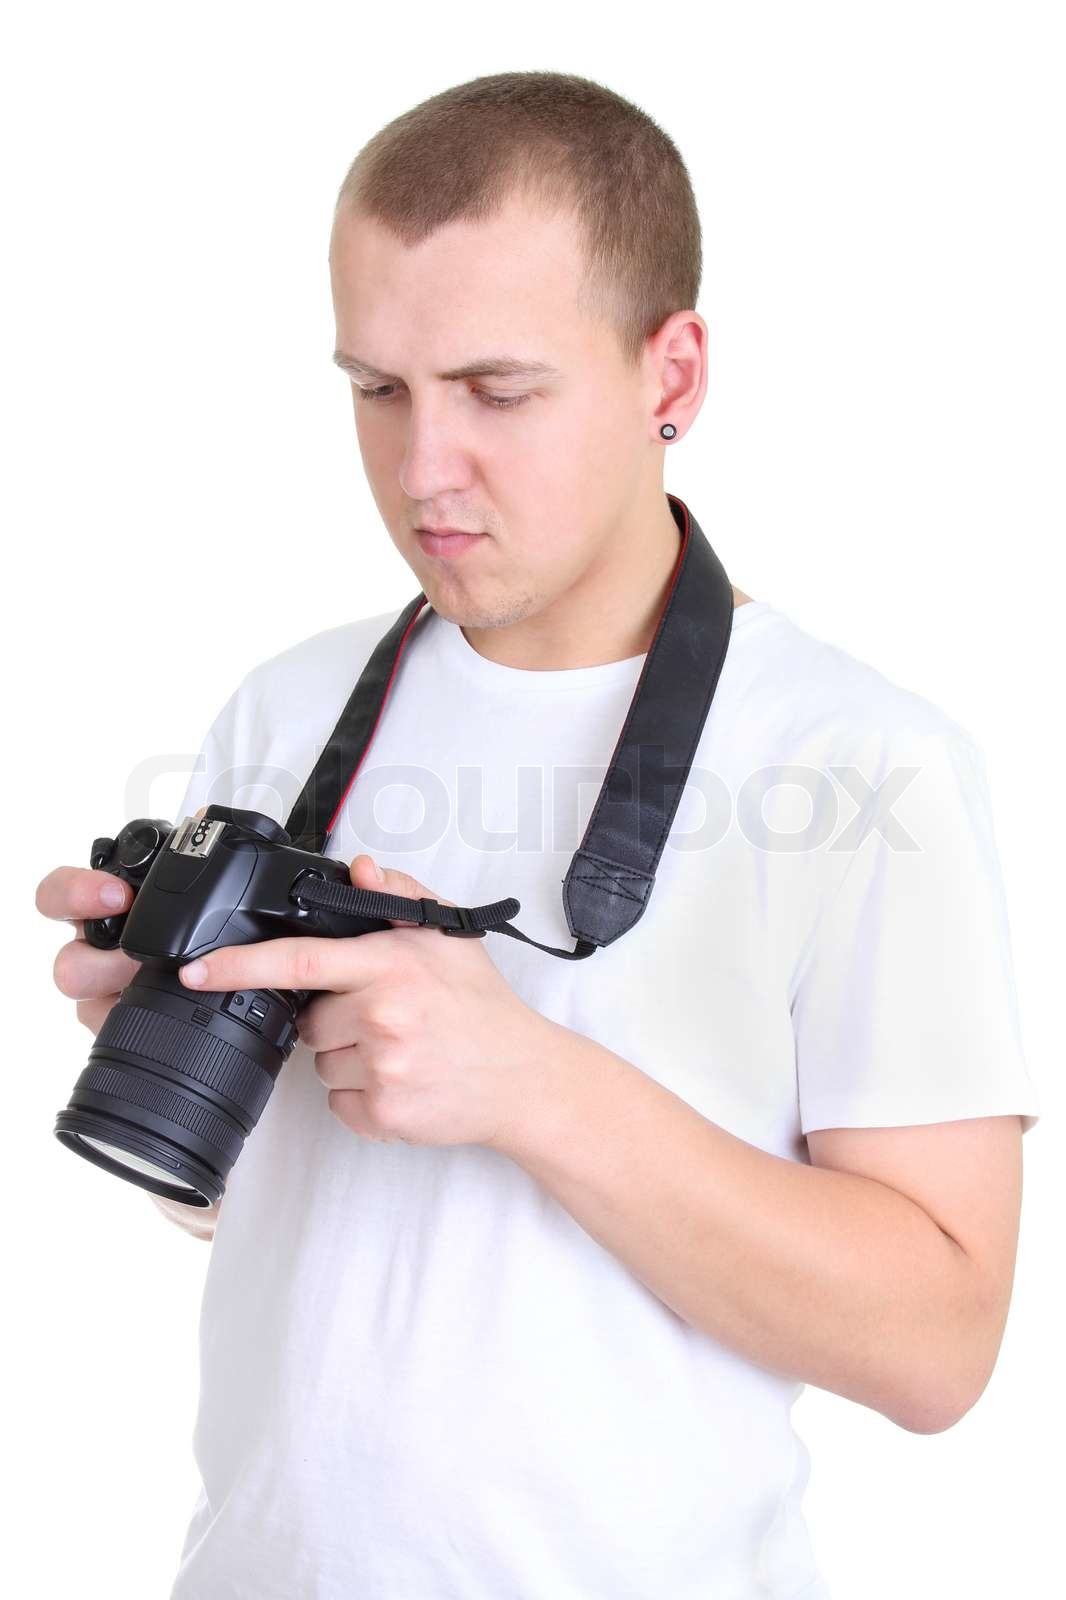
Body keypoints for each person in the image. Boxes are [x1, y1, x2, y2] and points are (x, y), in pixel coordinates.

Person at [37, 70, 1040, 1600]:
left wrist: (533, 1085)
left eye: (496, 391)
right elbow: (340, 1254)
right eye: (375, 389)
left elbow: (936, 1347)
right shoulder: (291, 702)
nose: (422, 466)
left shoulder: (863, 765)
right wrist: (177, 1043)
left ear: (671, 372)